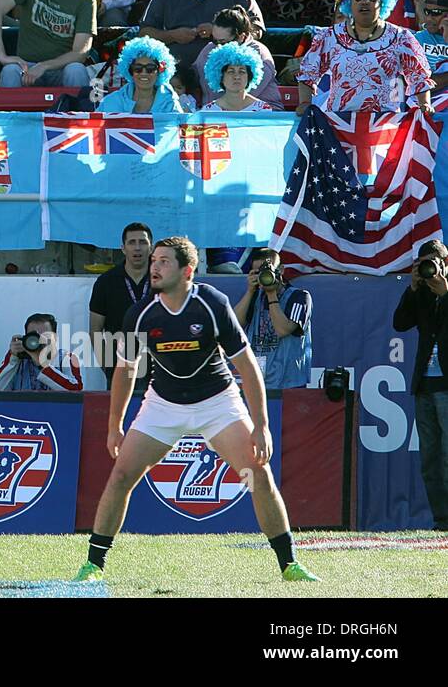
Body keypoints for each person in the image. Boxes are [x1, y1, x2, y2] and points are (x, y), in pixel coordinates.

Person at [73, 235, 319, 585]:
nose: (154, 267)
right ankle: (93, 565)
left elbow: (247, 368)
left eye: (163, 262)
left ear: (187, 270)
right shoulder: (140, 312)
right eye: (154, 260)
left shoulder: (212, 303)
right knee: (121, 475)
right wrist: (115, 425)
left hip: (217, 402)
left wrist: (261, 425)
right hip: (163, 403)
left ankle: (289, 565)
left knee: (258, 475)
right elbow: (125, 371)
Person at [296, 0, 433, 112]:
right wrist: (304, 103)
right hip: (339, 122)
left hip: (386, 125)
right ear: (349, 3)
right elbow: (308, 73)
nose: (365, 1)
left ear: (383, 2)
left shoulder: (401, 36)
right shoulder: (329, 36)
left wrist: (425, 104)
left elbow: (419, 76)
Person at [391, 238, 448, 532]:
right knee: (429, 457)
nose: (428, 271)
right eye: (422, 266)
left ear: (444, 264)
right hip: (424, 384)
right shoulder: (421, 293)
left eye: (432, 265)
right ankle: (441, 519)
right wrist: (412, 289)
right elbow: (399, 323)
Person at [234, 248, 312, 389]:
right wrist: (250, 291)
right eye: (258, 272)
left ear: (281, 270)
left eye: (267, 271)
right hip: (259, 381)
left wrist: (271, 294)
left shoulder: (299, 297)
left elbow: (282, 330)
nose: (264, 276)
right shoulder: (254, 296)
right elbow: (235, 325)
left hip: (289, 384)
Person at [89, 222, 153, 388]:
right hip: (120, 367)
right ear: (123, 248)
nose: (137, 248)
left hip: (158, 368)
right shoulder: (106, 282)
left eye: (143, 242)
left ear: (151, 247)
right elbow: (95, 330)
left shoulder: (163, 279)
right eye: (132, 242)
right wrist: (107, 367)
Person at [193, 4, 282, 106]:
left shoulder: (259, 54)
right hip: (213, 113)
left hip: (260, 114)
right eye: (215, 40)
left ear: (241, 37)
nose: (218, 47)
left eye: (223, 42)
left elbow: (238, 97)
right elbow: (193, 77)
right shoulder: (210, 49)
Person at [0, 313, 85, 390]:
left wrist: (43, 364)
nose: (39, 341)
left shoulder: (67, 358)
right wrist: (12, 360)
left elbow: (76, 391)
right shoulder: (18, 360)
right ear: (26, 337)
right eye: (33, 337)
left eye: (44, 336)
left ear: (55, 337)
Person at [100, 35, 184, 111]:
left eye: (150, 68)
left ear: (160, 71)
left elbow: (179, 126)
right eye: (138, 68)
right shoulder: (112, 101)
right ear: (130, 71)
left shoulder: (169, 101)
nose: (144, 73)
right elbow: (95, 124)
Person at [202, 38, 272, 112]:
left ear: (250, 76)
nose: (237, 77)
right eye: (231, 72)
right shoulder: (209, 111)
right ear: (220, 76)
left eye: (242, 72)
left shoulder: (263, 109)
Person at [415, 0, 448, 91]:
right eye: (427, 12)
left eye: (436, 12)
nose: (429, 18)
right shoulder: (416, 39)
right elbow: (421, 84)